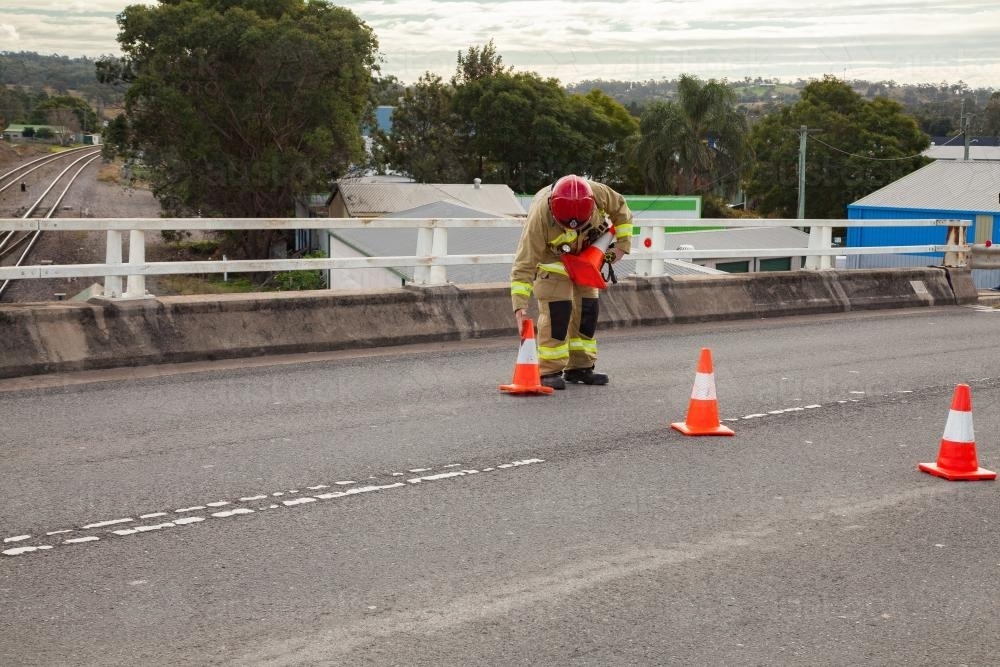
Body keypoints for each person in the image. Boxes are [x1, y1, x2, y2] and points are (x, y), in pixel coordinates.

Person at [510, 174, 634, 390]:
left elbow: (622, 211)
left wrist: (622, 245)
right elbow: (525, 263)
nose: (572, 230)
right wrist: (519, 306)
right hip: (553, 262)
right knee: (558, 311)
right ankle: (549, 370)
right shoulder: (540, 216)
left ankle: (580, 367)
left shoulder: (599, 193)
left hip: (585, 259)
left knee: (587, 310)